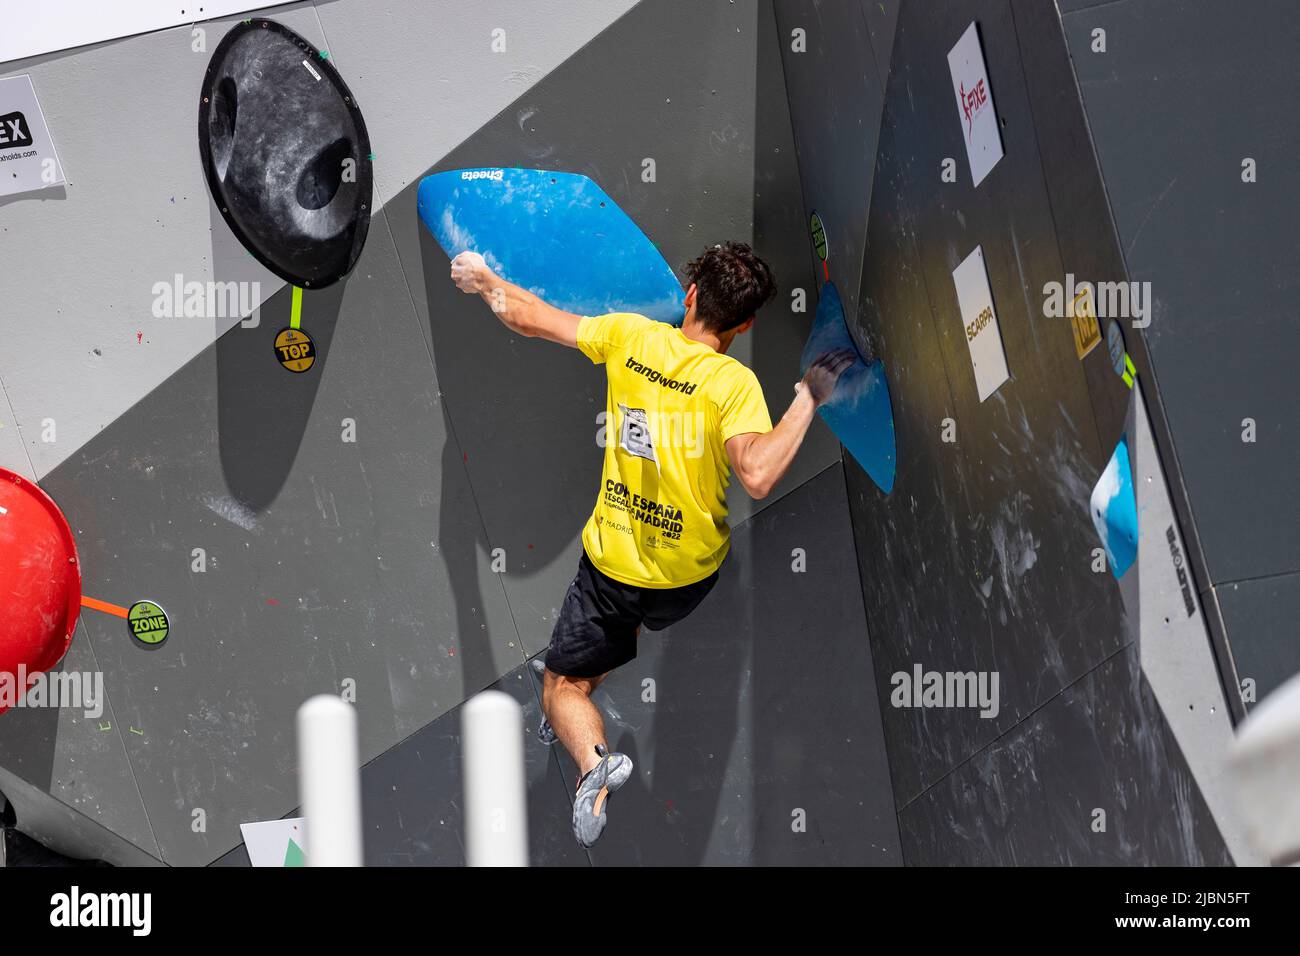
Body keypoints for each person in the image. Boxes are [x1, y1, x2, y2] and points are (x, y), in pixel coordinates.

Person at [450, 241, 853, 846]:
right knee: (626, 631)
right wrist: (808, 397)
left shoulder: (631, 338)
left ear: (690, 297)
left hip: (612, 571)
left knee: (563, 684)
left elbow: (526, 315)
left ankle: (591, 766)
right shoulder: (733, 385)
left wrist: (482, 280)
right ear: (743, 324)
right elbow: (759, 473)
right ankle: (579, 711)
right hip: (687, 581)